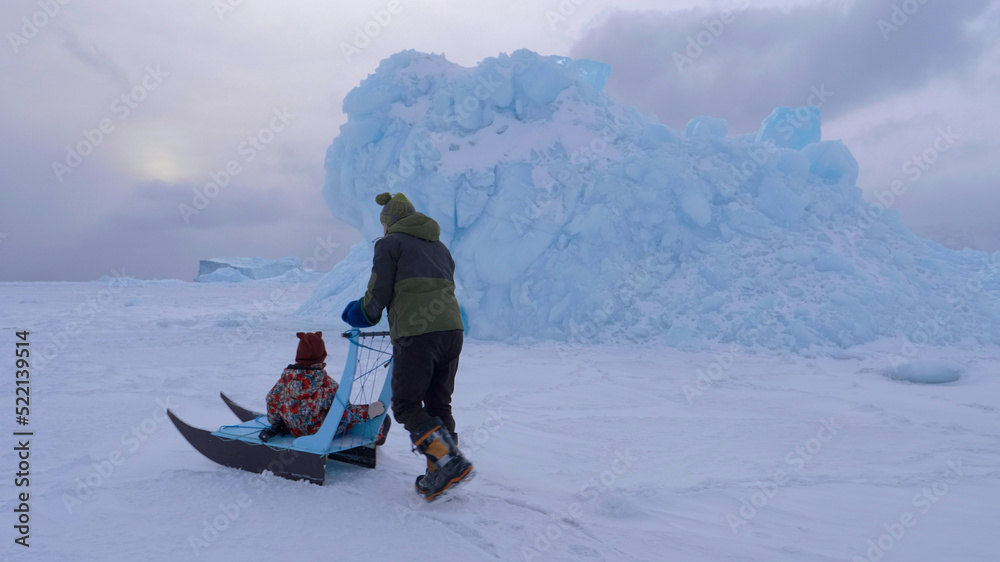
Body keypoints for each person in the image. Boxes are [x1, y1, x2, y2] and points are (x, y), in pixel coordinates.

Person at [341, 192, 473, 501]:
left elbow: (377, 297)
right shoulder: (440, 248)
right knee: (439, 403)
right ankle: (438, 471)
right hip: (452, 331)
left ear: (388, 223)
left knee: (407, 405)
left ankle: (448, 461)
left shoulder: (390, 244)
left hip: (418, 333)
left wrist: (356, 313)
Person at [260, 331, 387, 443]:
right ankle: (377, 434)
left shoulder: (284, 380)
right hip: (321, 434)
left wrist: (278, 424)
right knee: (374, 418)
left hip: (292, 430)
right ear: (321, 357)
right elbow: (343, 414)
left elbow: (271, 400)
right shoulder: (328, 385)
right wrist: (368, 411)